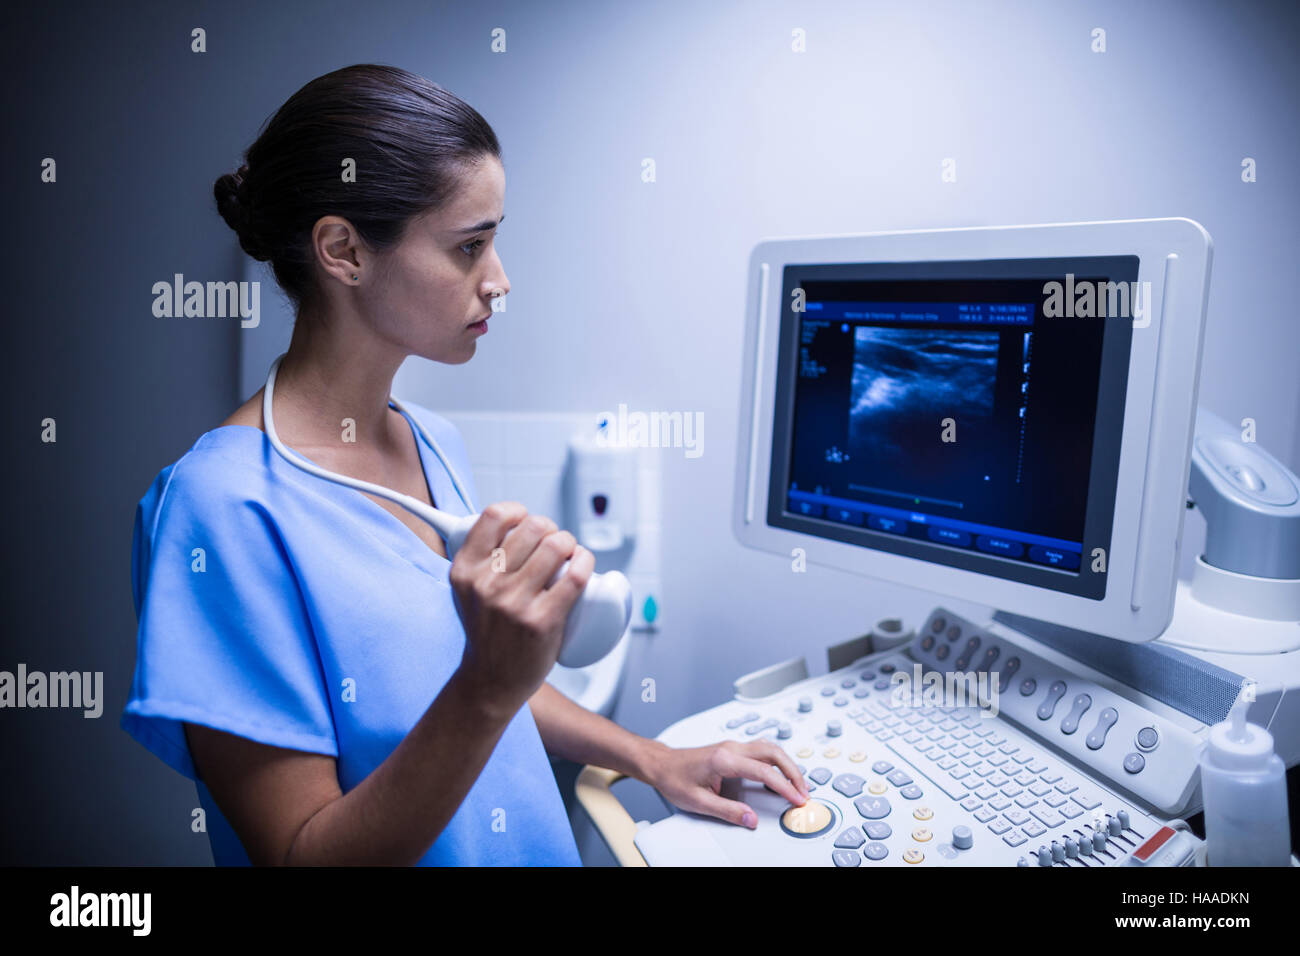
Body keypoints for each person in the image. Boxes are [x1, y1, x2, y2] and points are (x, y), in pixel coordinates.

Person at [122, 63, 808, 866]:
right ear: (344, 250)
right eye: (468, 247)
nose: (499, 281)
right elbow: (303, 853)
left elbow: (471, 688)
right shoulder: (220, 510)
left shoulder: (431, 441)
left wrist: (649, 757)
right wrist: (487, 684)